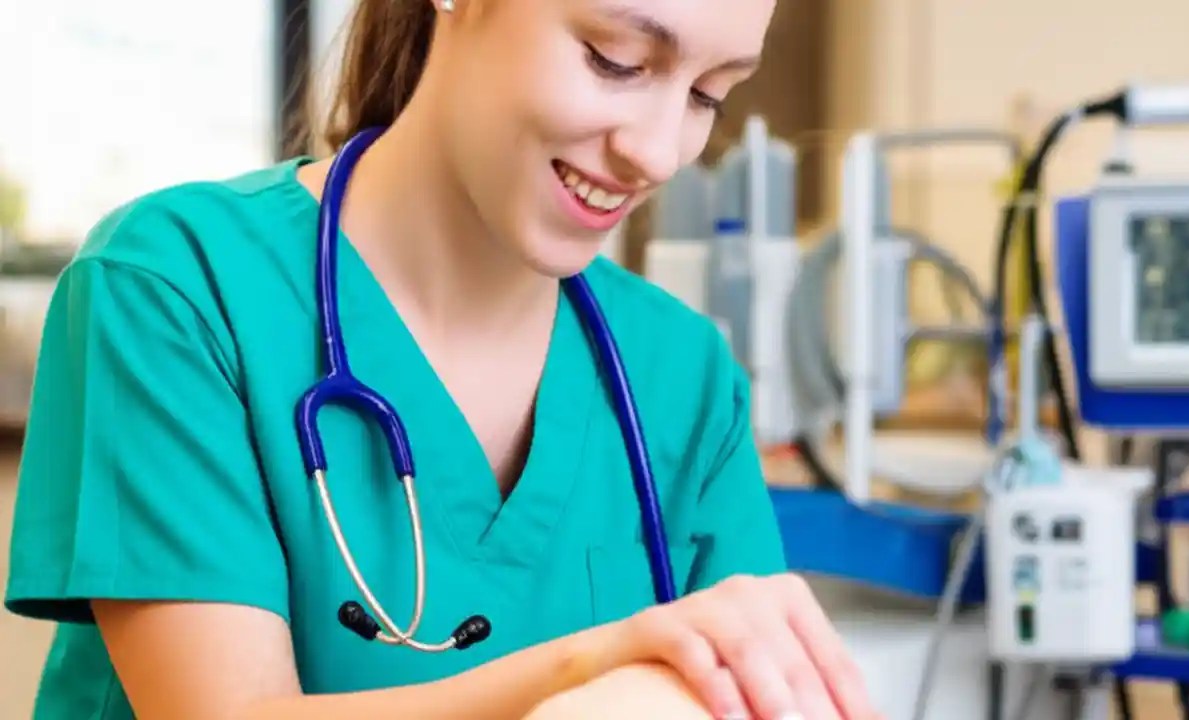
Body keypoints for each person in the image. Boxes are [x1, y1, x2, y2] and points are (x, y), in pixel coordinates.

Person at [4, 1, 879, 718]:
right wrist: (595, 669)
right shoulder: (178, 284)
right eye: (615, 59)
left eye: (708, 96)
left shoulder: (680, 377)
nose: (658, 153)